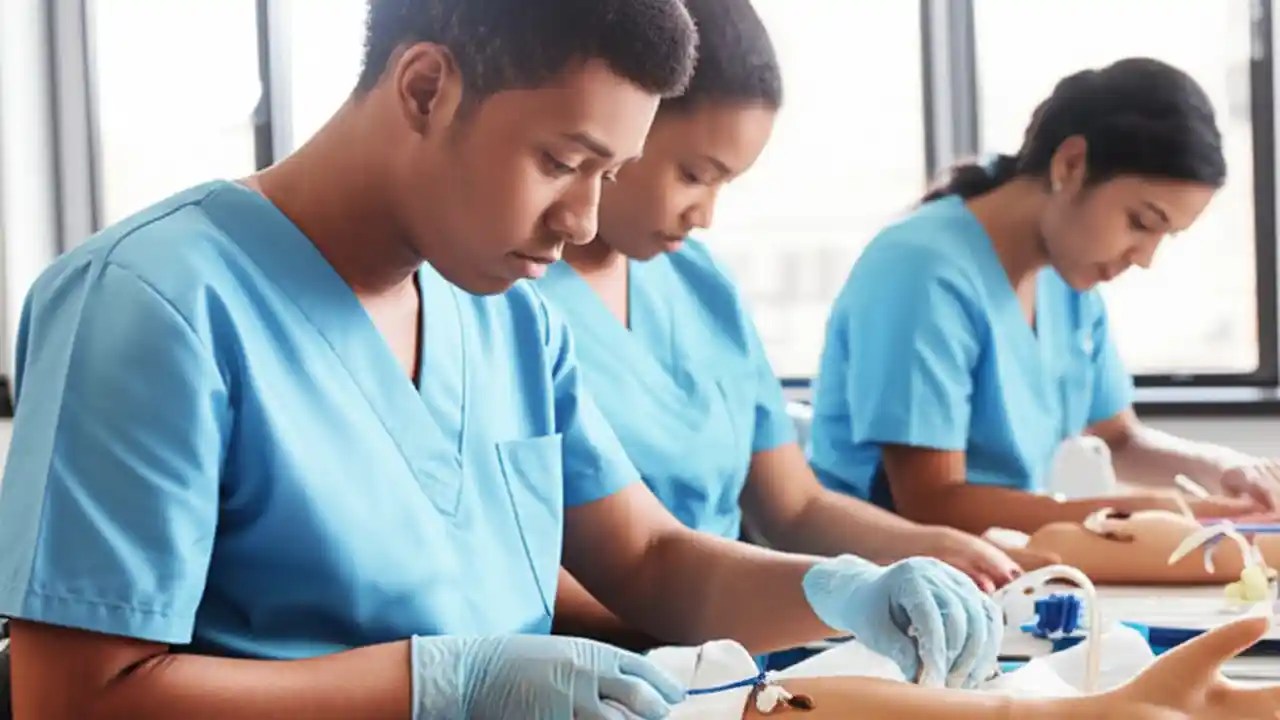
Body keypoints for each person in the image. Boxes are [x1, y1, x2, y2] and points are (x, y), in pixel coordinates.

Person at [0, 2, 1003, 718]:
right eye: (562, 162)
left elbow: (648, 559)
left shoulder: (510, 320)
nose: (584, 221)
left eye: (609, 174)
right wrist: (441, 685)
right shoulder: (154, 301)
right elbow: (74, 697)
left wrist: (842, 589)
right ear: (425, 88)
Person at [539, 0, 1028, 654]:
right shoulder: (509, 294)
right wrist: (738, 620)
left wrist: (925, 550)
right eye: (694, 175)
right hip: (631, 648)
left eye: (726, 184)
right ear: (628, 124)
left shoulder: (702, 283)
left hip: (732, 635)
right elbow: (582, 570)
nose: (705, 215)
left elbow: (793, 506)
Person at [809, 57, 1280, 536]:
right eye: (1141, 223)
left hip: (993, 559)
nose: (1145, 258)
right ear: (1070, 165)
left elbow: (1119, 439)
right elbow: (931, 503)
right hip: (885, 566)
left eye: (1166, 236)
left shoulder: (1066, 279)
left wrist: (1225, 469)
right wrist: (1134, 512)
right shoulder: (921, 270)